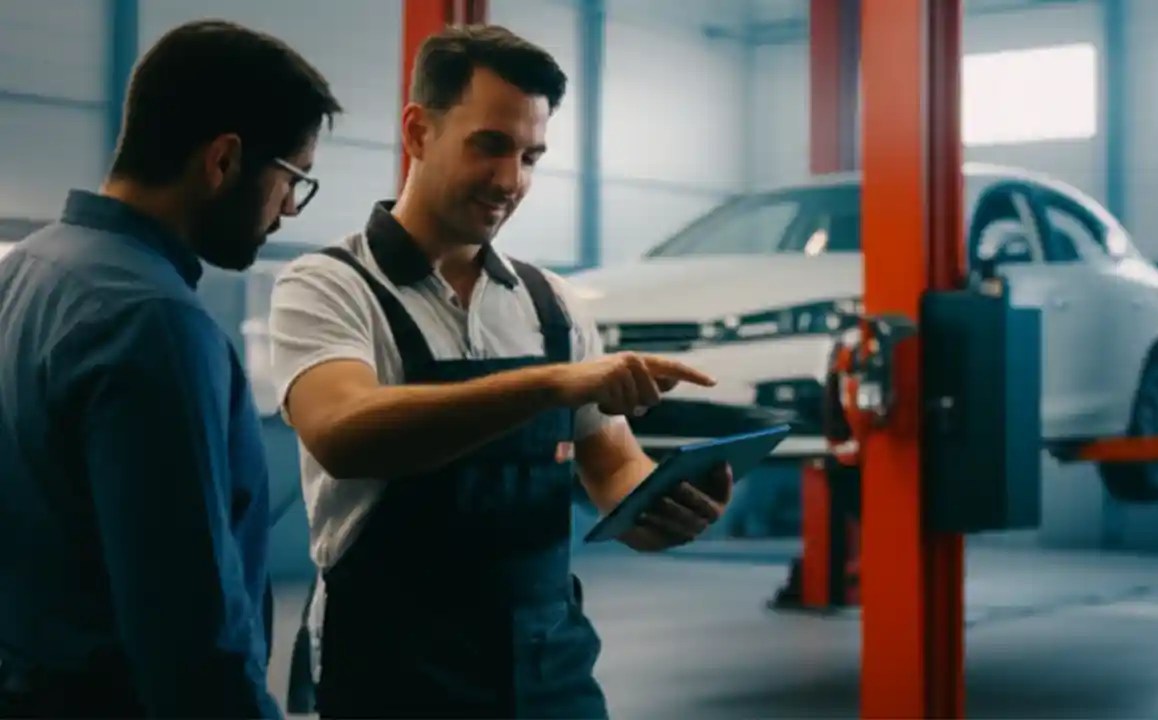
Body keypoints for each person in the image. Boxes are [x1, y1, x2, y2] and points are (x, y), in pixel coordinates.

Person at [269, 24, 732, 719]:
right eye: (489, 145)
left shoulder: (551, 305)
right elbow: (343, 432)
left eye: (531, 156)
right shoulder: (329, 287)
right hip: (395, 672)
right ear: (418, 132)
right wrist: (552, 383)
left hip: (550, 668)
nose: (511, 181)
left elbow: (610, 463)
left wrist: (655, 510)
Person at [0, 20, 341, 718]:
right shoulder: (153, 321)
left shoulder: (30, 269)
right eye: (292, 178)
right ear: (223, 160)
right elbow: (189, 635)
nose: (286, 209)